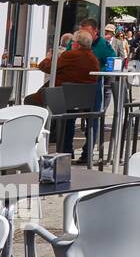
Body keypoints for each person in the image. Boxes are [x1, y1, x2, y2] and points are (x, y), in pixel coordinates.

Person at [29, 30, 101, 163]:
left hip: (62, 98)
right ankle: (66, 150)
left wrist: (49, 57)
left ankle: (31, 142)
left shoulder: (70, 55)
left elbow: (47, 67)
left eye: (73, 42)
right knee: (68, 118)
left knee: (29, 100)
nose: (71, 44)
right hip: (82, 100)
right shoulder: (94, 59)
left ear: (77, 44)